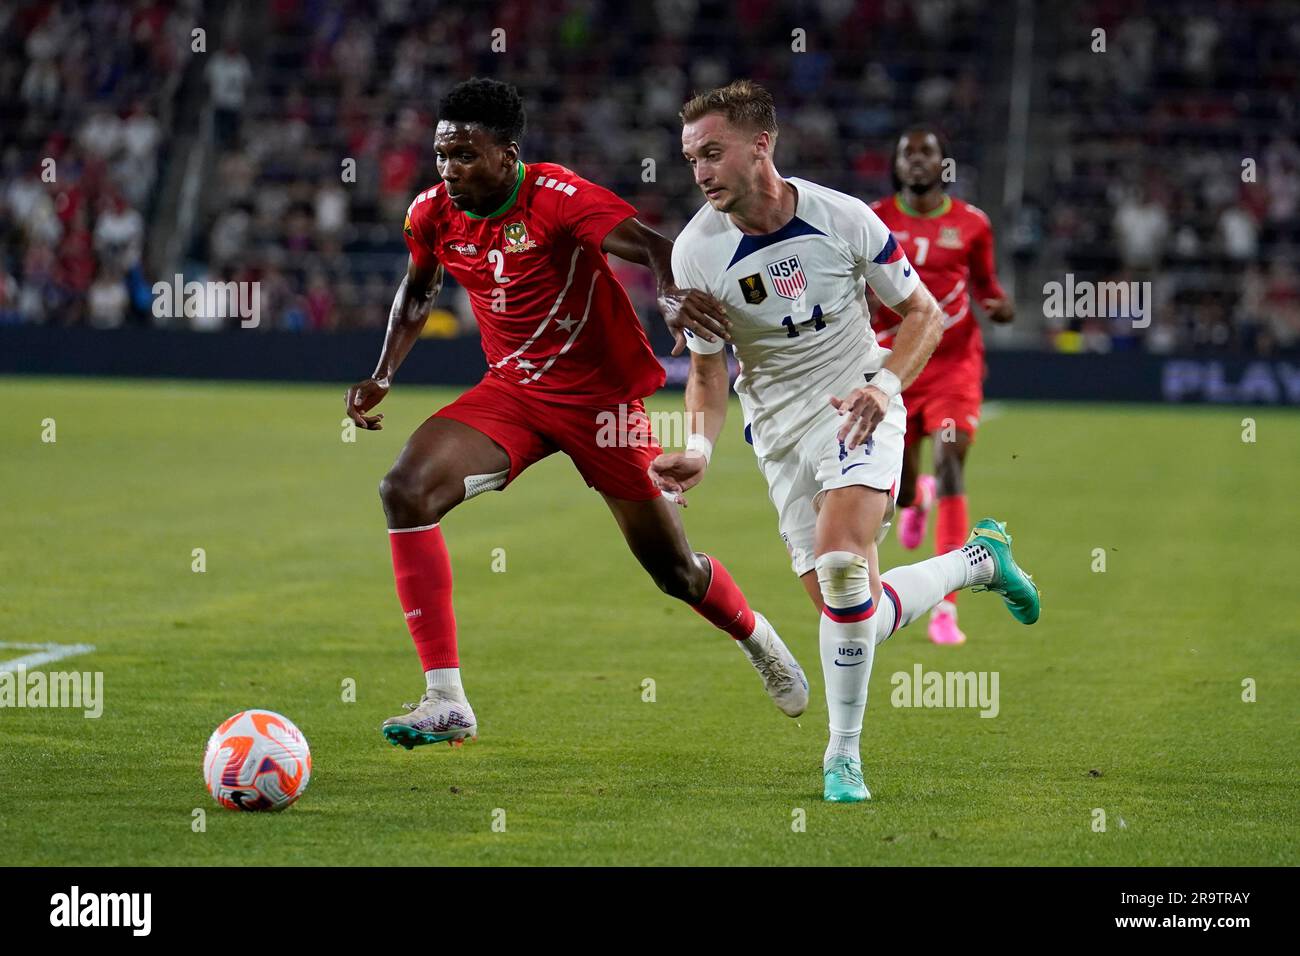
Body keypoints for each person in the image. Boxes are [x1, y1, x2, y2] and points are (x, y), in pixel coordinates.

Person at [345, 78, 808, 751]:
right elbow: (419, 291)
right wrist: (384, 371)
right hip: (513, 394)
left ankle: (756, 636)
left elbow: (651, 246)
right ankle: (445, 698)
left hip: (602, 406)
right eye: (442, 155)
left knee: (672, 572)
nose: (448, 171)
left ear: (507, 155)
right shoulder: (431, 212)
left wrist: (673, 295)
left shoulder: (556, 195)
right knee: (404, 490)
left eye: (465, 156)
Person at [650, 81, 1040, 802]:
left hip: (859, 400)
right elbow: (707, 373)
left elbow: (923, 313)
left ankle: (843, 757)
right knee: (852, 607)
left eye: (711, 153)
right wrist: (698, 449)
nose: (698, 171)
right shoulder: (696, 253)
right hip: (777, 429)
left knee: (839, 563)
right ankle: (976, 562)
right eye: (689, 158)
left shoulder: (844, 217)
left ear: (760, 145)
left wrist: (885, 388)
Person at [870, 127, 1016, 646]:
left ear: (942, 163)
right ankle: (918, 497)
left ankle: (945, 609)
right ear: (896, 163)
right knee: (902, 490)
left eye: (925, 152)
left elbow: (990, 290)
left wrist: (1002, 308)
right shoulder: (874, 218)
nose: (915, 160)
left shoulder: (971, 224)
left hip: (954, 365)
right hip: (897, 364)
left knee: (951, 458)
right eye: (906, 152)